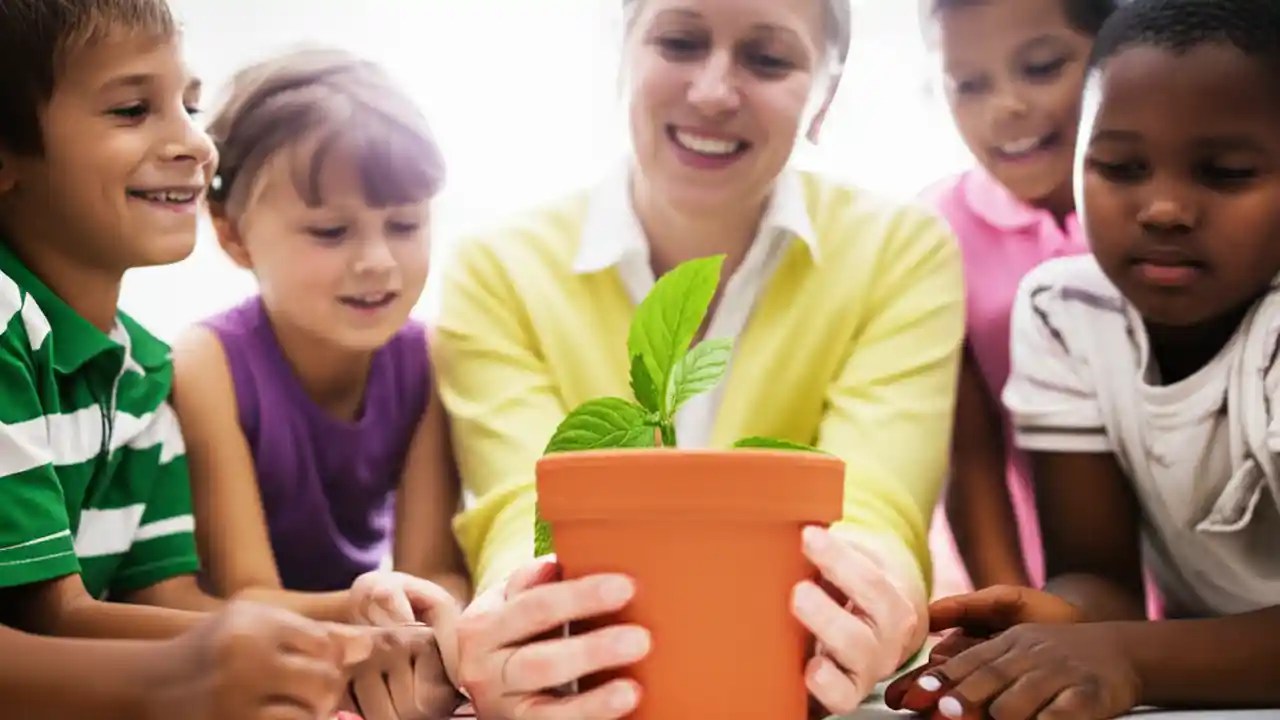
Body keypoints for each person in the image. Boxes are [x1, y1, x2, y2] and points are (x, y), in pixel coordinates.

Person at [432, 0, 966, 716]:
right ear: (625, 55)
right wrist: (516, 626)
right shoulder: (497, 270)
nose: (714, 92)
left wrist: (876, 600)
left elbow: (874, 499)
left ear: (824, 95)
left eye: (768, 58)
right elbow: (526, 506)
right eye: (679, 42)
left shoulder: (901, 253)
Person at [0, 1, 454, 717]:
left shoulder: (139, 372)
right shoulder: (21, 323)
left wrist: (354, 615)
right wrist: (313, 648)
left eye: (189, 104)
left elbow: (162, 598)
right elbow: (47, 615)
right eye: (130, 109)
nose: (195, 144)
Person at [887, 1, 1280, 717]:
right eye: (1119, 166)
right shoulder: (1063, 311)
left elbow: (1131, 642)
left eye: (1225, 172)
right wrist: (1060, 623)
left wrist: (1127, 654)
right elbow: (1099, 578)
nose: (1163, 208)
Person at [171, 47, 470, 629]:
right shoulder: (207, 365)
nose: (378, 262)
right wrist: (391, 610)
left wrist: (425, 611)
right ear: (232, 235)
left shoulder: (425, 359)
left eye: (405, 224)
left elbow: (434, 570)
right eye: (331, 232)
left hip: (358, 636)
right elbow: (247, 596)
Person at [919, 0, 1118, 596]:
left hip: (1220, 591)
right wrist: (1010, 608)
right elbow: (970, 462)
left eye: (1041, 67)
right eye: (968, 85)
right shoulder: (937, 233)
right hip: (1062, 589)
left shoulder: (1168, 211)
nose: (1005, 107)